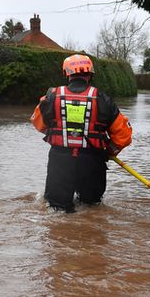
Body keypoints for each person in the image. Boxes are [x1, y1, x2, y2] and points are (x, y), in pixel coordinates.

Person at [30, 54, 133, 212]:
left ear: (67, 73)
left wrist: (60, 132)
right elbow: (123, 136)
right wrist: (109, 152)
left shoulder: (51, 97)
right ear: (90, 74)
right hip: (92, 162)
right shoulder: (103, 99)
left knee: (56, 210)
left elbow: (38, 124)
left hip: (60, 161)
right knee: (91, 208)